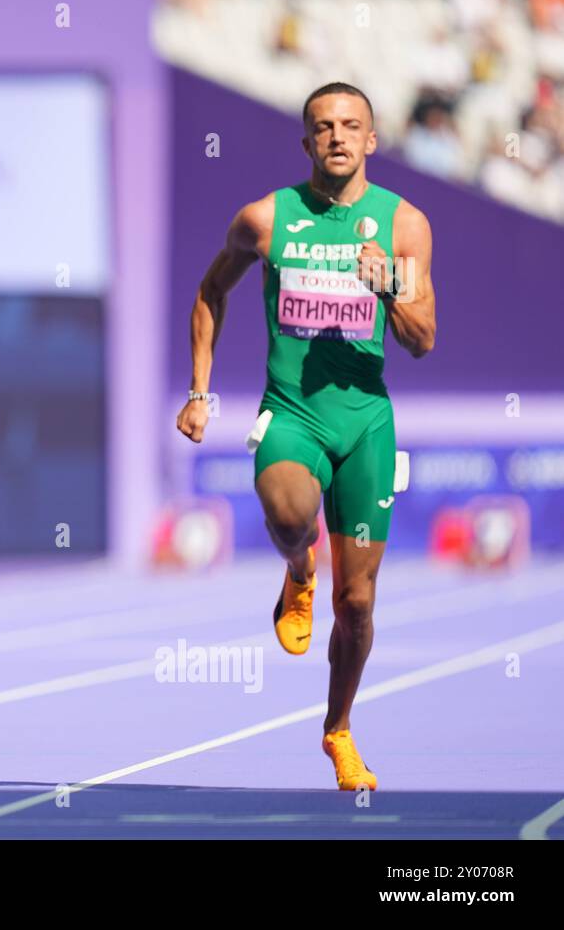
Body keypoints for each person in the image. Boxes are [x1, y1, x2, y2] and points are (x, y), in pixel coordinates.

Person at [176, 83, 437, 790]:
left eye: (351, 125)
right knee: (290, 512)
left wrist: (387, 287)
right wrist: (200, 391)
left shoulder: (403, 225)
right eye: (323, 127)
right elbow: (210, 290)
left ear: (372, 139)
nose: (337, 137)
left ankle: (339, 730)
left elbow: (423, 339)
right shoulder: (267, 219)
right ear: (306, 142)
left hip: (366, 424)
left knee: (358, 604)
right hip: (291, 413)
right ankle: (298, 569)